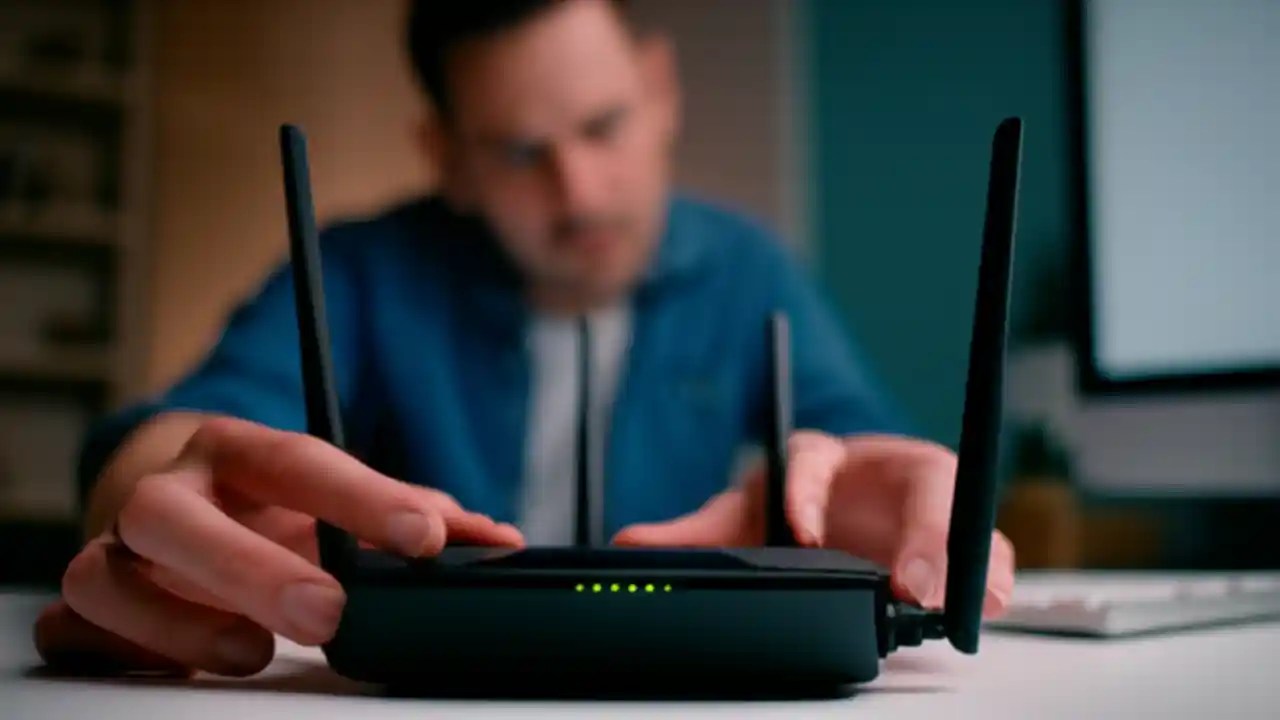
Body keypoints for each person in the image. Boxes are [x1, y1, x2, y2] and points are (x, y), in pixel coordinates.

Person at [34, 0, 1014, 678]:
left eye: (603, 125)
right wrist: (151, 493)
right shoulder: (364, 273)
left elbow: (865, 457)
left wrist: (866, 506)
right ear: (445, 157)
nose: (578, 193)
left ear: (661, 89)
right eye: (518, 151)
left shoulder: (744, 269)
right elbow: (188, 442)